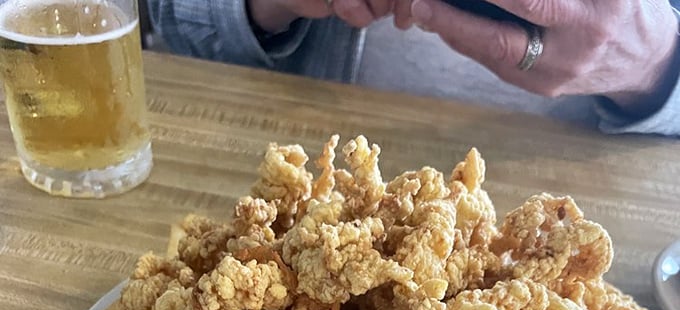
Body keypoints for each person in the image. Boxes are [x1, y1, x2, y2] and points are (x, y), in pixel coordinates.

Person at [147, 0, 680, 135]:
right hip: (297, 177)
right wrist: (263, 7)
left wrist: (658, 64)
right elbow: (165, 20)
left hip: (602, 216)